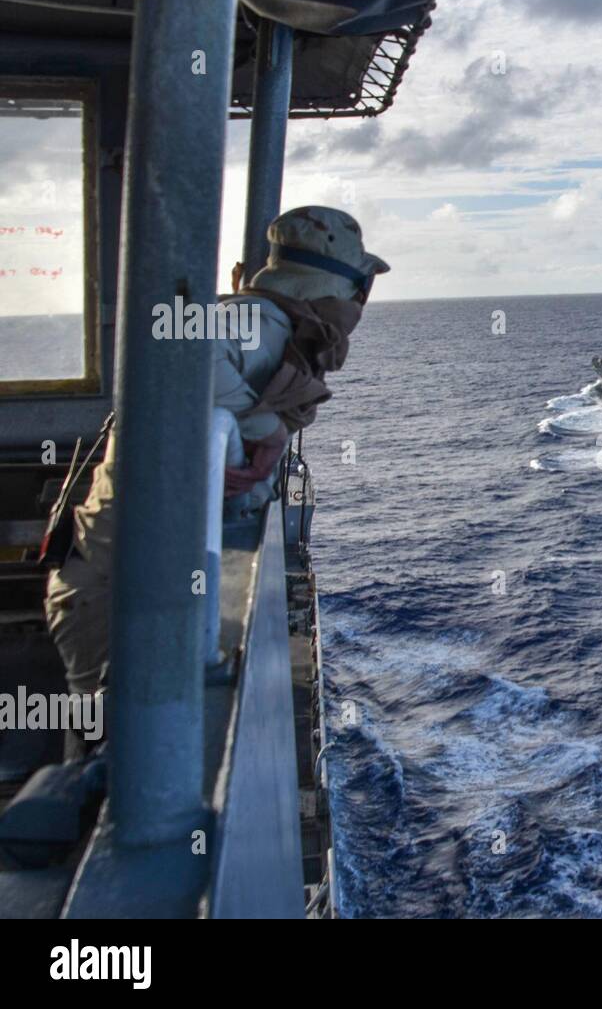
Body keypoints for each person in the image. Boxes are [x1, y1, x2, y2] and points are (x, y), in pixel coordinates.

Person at [43, 206, 388, 757]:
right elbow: (177, 350)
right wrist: (266, 426)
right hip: (114, 595)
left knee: (114, 750)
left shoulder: (273, 326)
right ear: (343, 287)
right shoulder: (257, 321)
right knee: (105, 766)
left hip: (128, 584)